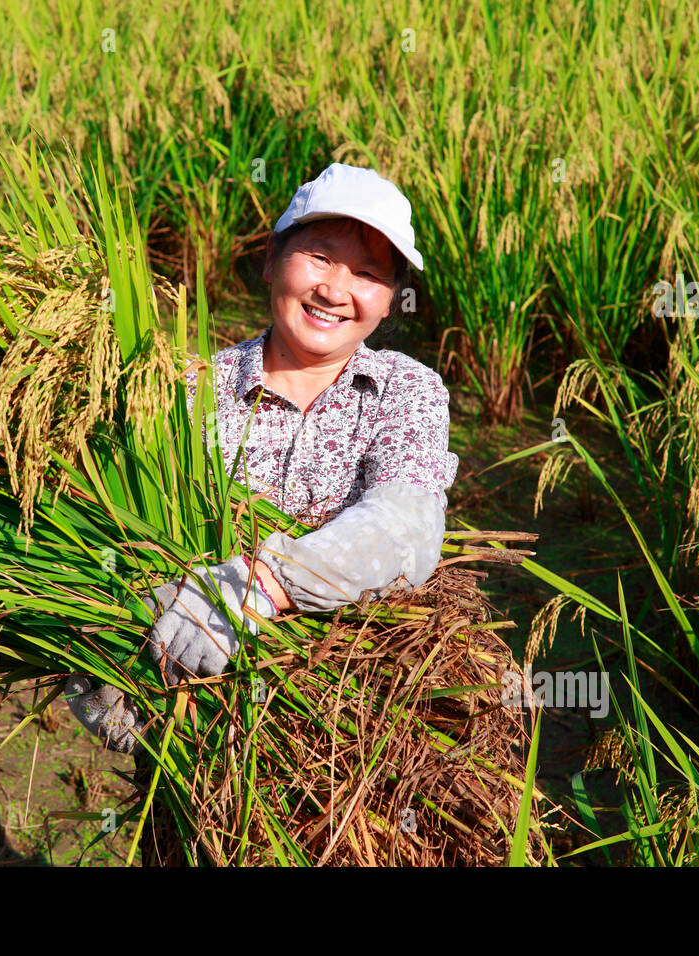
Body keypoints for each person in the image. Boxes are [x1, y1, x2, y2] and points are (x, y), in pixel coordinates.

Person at [67, 162, 459, 752]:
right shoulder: (188, 392)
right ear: (273, 258)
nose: (334, 289)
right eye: (320, 258)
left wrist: (260, 584)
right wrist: (104, 652)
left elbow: (405, 526)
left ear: (388, 301)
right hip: (196, 747)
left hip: (358, 749)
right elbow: (120, 549)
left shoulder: (409, 392)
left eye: (368, 274)